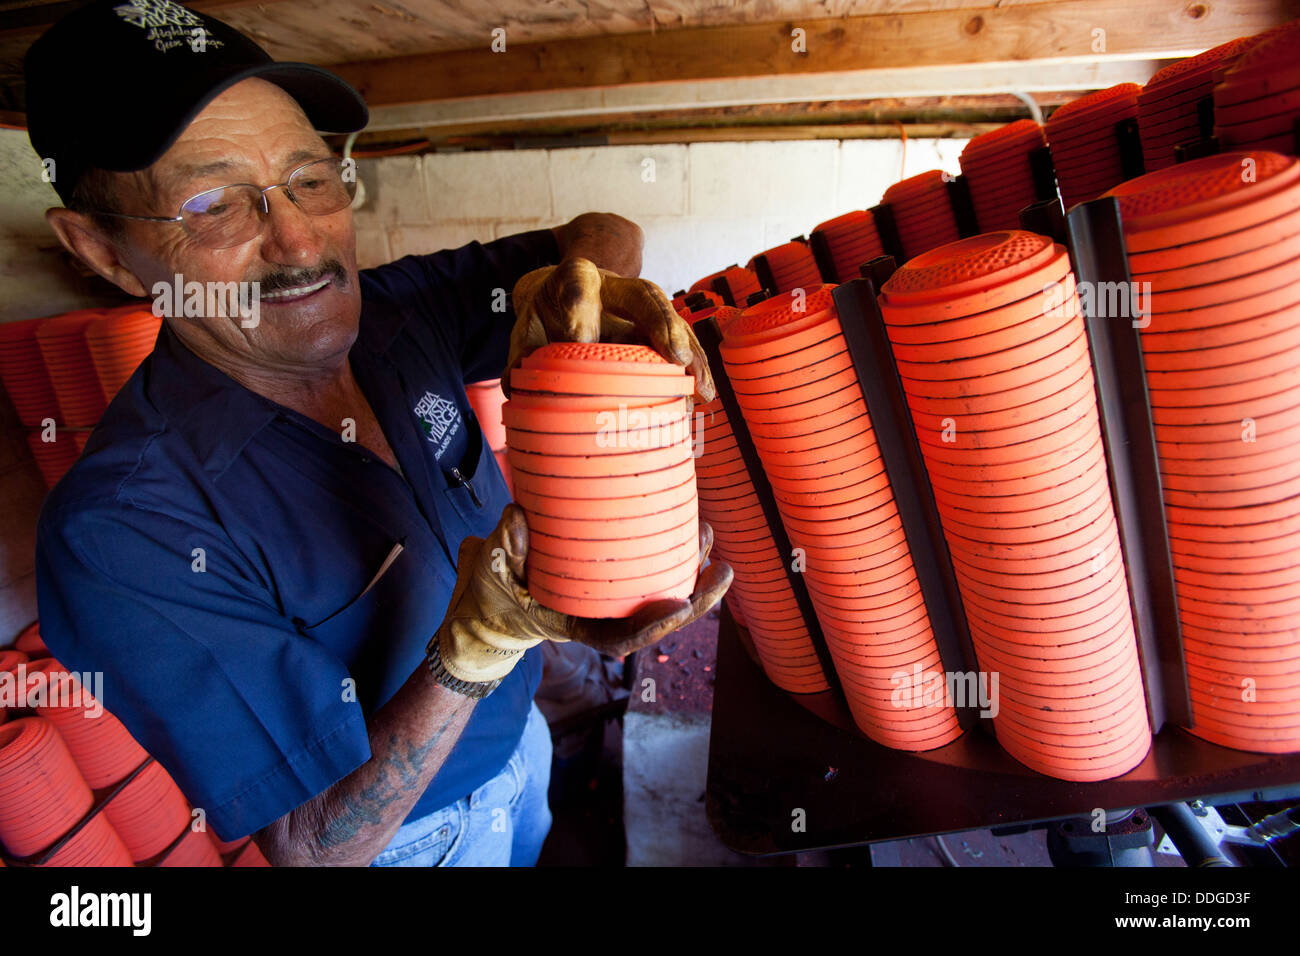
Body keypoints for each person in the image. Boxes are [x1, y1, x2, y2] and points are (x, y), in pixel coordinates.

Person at [24, 0, 730, 867]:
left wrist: (572, 277)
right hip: (418, 839)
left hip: (523, 745)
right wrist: (473, 652)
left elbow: (608, 231)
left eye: (312, 179)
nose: (297, 242)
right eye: (212, 204)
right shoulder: (122, 530)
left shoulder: (403, 309)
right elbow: (314, 846)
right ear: (98, 249)